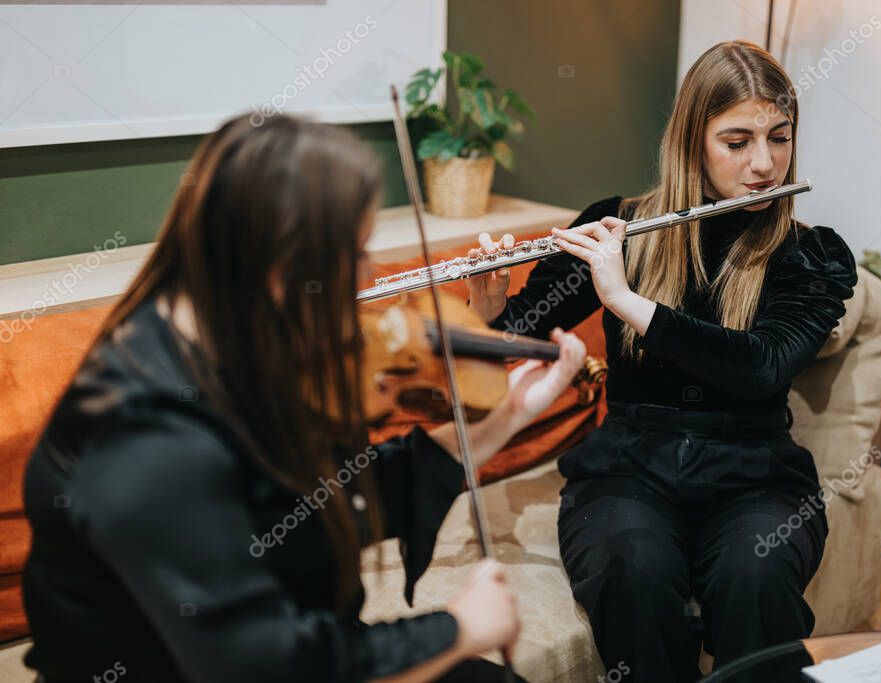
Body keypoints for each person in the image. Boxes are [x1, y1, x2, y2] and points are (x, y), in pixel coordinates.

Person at [21, 114, 586, 683]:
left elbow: (325, 503)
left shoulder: (249, 347)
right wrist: (456, 627)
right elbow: (259, 663)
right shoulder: (148, 437)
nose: (368, 272)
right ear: (282, 267)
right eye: (356, 251)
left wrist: (503, 417)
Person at [467, 40, 858, 682]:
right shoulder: (615, 227)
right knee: (634, 574)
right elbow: (522, 335)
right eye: (737, 141)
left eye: (779, 138)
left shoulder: (810, 256)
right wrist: (489, 311)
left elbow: (762, 365)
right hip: (628, 467)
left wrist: (624, 300)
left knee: (755, 577)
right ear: (692, 140)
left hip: (755, 473)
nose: (765, 164)